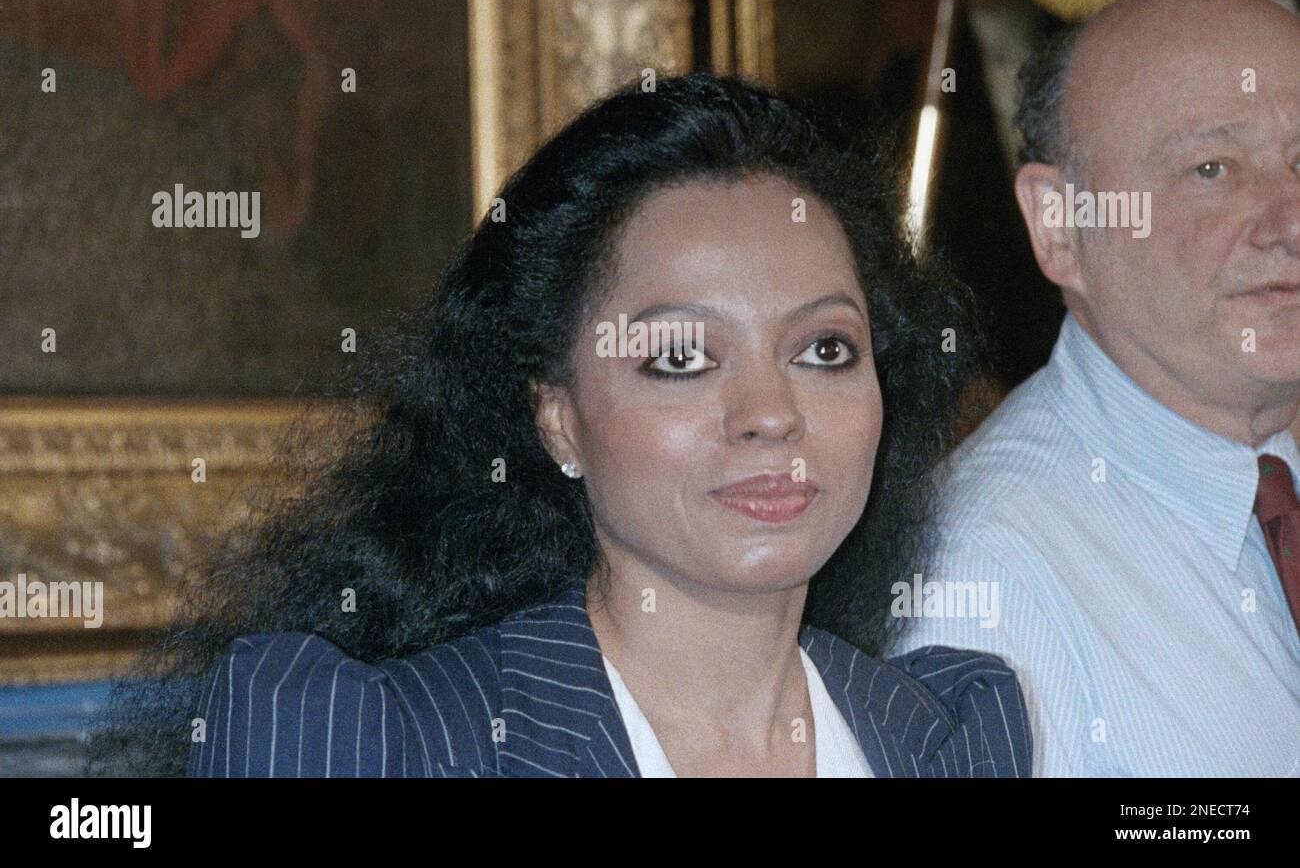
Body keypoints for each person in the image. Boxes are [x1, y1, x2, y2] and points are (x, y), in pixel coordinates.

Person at [90, 72, 1030, 778]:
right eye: (681, 358)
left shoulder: (946, 735)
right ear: (558, 419)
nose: (771, 415)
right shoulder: (376, 745)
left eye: (824, 349)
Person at [889, 0, 1300, 776]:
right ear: (1060, 225)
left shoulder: (1269, 475)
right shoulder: (982, 580)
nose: (1291, 218)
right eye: (1212, 168)